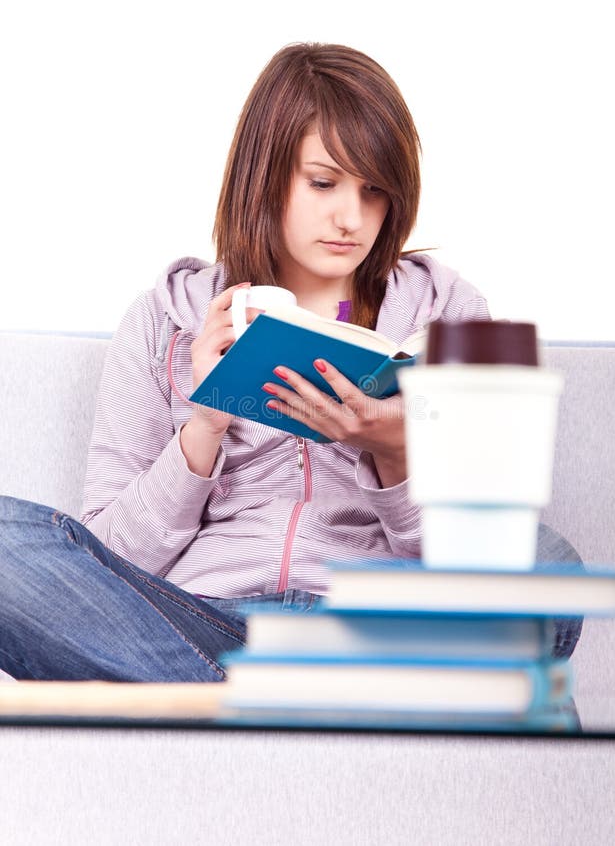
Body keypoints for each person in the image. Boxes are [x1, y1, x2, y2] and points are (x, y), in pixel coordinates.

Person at [0, 43, 582, 682]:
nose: (351, 217)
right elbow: (111, 556)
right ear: (264, 173)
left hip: (376, 625)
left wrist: (394, 450)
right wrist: (204, 427)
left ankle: (235, 695)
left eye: (375, 191)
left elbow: (475, 555)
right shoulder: (164, 319)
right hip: (203, 623)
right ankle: (231, 686)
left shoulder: (446, 318)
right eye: (324, 182)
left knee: (549, 566)